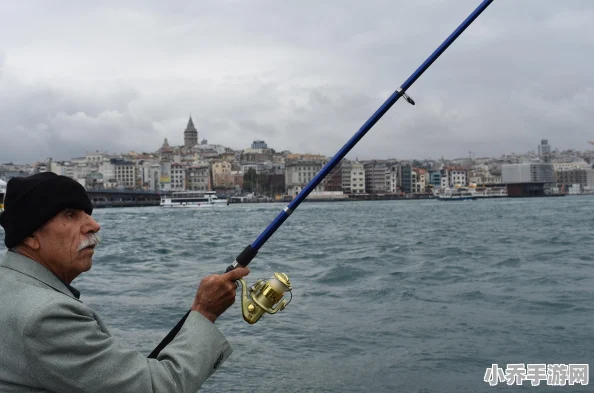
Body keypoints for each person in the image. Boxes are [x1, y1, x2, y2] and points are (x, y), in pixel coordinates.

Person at [0, 172, 250, 393]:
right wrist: (205, 312)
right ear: (31, 234)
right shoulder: (47, 317)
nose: (93, 225)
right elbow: (157, 388)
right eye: (71, 214)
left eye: (87, 213)